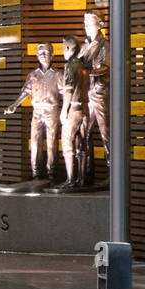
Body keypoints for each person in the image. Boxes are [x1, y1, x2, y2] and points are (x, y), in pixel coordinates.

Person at [4, 42, 61, 181]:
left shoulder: (59, 74)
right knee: (35, 142)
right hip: (37, 112)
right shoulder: (33, 75)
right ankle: (36, 173)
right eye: (40, 52)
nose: (43, 55)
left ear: (52, 55)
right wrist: (14, 105)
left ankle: (51, 173)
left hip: (52, 111)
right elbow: (26, 92)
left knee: (52, 142)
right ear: (36, 55)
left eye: (46, 52)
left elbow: (66, 93)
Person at [79, 12, 110, 181]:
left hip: (100, 93)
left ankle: (112, 174)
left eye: (89, 24)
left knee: (106, 133)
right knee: (83, 132)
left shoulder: (105, 45)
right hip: (86, 95)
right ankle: (86, 173)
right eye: (85, 24)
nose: (86, 27)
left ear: (100, 25)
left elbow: (106, 68)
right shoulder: (84, 47)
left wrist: (87, 72)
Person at [56, 35, 89, 190]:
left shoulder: (69, 66)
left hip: (73, 110)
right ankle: (81, 180)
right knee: (82, 146)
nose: (62, 51)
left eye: (63, 47)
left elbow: (68, 91)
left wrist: (63, 111)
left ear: (69, 48)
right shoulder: (84, 66)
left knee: (67, 143)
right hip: (85, 110)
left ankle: (70, 180)